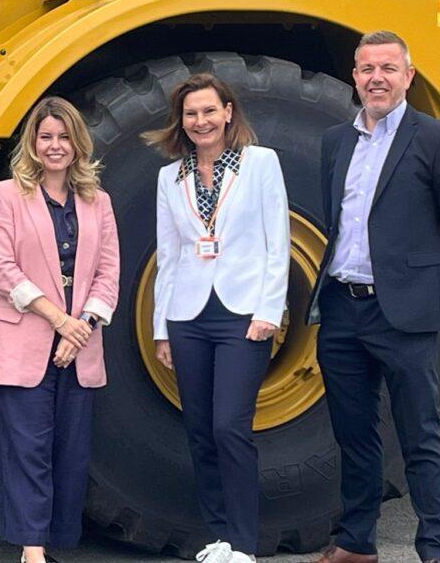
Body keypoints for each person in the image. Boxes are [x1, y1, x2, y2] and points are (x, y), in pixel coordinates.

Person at [302, 31, 440, 563]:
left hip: (404, 313)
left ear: (408, 75)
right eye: (365, 69)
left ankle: (436, 550)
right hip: (341, 309)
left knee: (419, 437)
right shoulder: (336, 141)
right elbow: (337, 222)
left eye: (387, 67)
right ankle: (358, 542)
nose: (375, 78)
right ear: (354, 77)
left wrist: (419, 282)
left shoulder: (437, 137)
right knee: (354, 437)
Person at [147, 73, 290, 563]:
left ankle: (244, 543)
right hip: (188, 315)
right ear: (181, 122)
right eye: (191, 114)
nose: (201, 121)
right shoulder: (172, 176)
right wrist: (161, 329)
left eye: (209, 111)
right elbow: (169, 255)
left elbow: (279, 241)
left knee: (231, 426)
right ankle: (220, 537)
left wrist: (270, 310)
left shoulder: (261, 164)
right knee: (200, 428)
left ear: (229, 112)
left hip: (242, 314)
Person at [0, 96, 120, 563]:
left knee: (70, 454)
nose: (55, 146)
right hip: (22, 341)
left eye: (64, 137)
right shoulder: (4, 195)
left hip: (79, 346)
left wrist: (80, 327)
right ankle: (31, 549)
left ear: (78, 144)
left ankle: (55, 543)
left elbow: (108, 272)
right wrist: (60, 321)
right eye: (46, 137)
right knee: (26, 450)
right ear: (33, 144)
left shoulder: (98, 202)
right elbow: (3, 270)